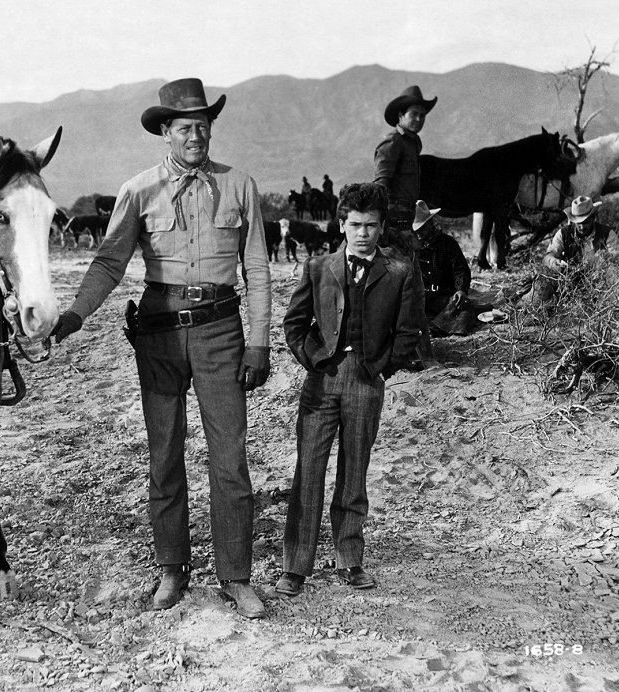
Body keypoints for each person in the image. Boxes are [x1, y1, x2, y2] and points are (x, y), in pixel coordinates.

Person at [51, 78, 272, 619]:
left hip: (222, 332)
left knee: (229, 458)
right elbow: (109, 262)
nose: (196, 135)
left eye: (203, 125)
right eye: (184, 127)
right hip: (159, 335)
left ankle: (236, 576)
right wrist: (74, 315)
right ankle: (172, 567)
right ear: (165, 133)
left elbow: (258, 269)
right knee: (165, 454)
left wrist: (259, 342)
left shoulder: (240, 185)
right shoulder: (138, 191)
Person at [275, 183, 422, 597]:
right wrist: (314, 360)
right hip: (321, 381)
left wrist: (380, 369)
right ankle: (295, 566)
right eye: (355, 224)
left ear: (382, 226)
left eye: (371, 225)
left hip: (366, 380)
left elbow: (408, 332)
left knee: (355, 471)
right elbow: (294, 324)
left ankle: (350, 559)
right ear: (341, 224)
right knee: (308, 470)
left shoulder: (400, 271)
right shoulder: (318, 267)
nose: (363, 233)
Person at [373, 85, 437, 254]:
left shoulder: (414, 142)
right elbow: (381, 183)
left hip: (408, 215)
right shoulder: (393, 142)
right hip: (392, 216)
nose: (418, 119)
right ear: (401, 115)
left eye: (422, 115)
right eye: (413, 114)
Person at [532, 195, 619, 306]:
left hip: (600, 285)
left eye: (586, 222)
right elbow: (547, 257)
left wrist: (603, 262)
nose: (582, 227)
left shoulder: (607, 234)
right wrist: (554, 262)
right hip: (569, 284)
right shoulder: (563, 234)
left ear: (593, 218)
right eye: (578, 223)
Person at [411, 200, 474, 336]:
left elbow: (460, 270)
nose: (418, 234)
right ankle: (438, 325)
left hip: (444, 298)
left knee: (464, 307)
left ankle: (435, 328)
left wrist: (461, 290)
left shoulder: (448, 243)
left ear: (430, 224)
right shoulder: (410, 247)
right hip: (420, 299)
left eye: (421, 229)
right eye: (415, 231)